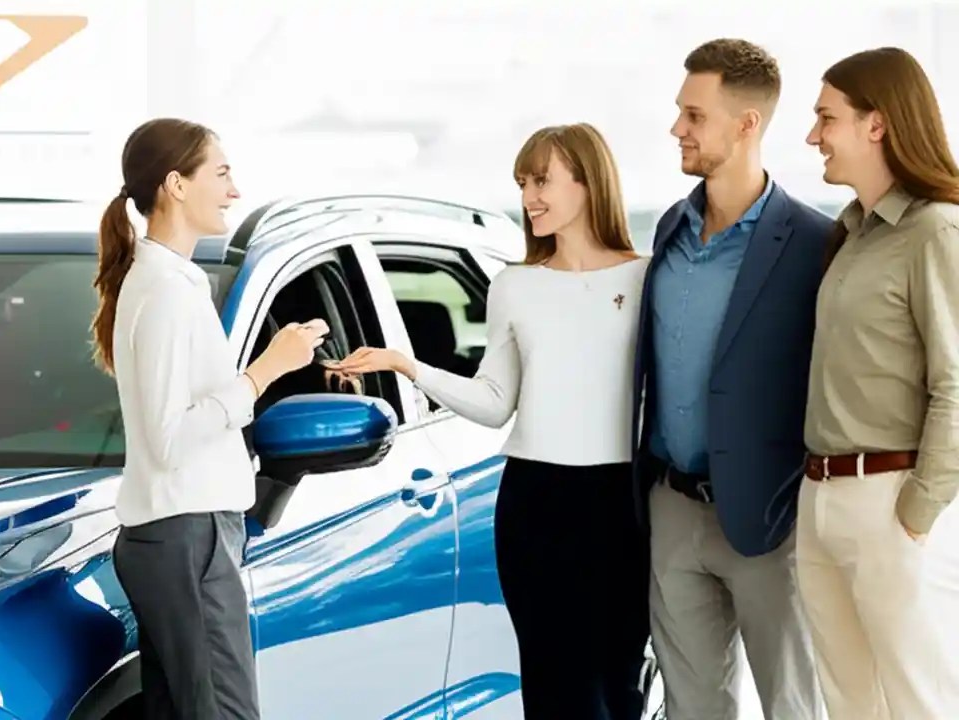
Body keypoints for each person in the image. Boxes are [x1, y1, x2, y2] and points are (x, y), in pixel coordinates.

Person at [334, 123, 651, 720]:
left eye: (541, 181)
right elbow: (495, 400)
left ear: (588, 181)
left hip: (622, 504)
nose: (528, 197)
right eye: (523, 183)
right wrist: (408, 366)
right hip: (536, 503)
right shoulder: (515, 285)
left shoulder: (646, 278)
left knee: (618, 687)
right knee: (558, 689)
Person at [92, 117, 329, 719]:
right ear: (176, 184)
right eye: (221, 174)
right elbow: (170, 438)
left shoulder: (166, 280)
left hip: (181, 535)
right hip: (188, 536)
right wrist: (266, 370)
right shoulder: (166, 289)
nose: (234, 190)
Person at [632, 38, 828, 719]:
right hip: (670, 508)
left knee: (792, 705)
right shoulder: (670, 229)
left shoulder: (813, 243)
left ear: (747, 124)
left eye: (694, 115)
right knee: (691, 707)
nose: (676, 128)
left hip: (769, 521)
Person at [800, 46, 959, 719]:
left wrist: (917, 513)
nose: (813, 136)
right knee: (849, 705)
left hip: (889, 500)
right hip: (820, 496)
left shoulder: (936, 231)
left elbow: (957, 384)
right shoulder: (852, 234)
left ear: (877, 124)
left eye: (826, 118)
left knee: (920, 702)